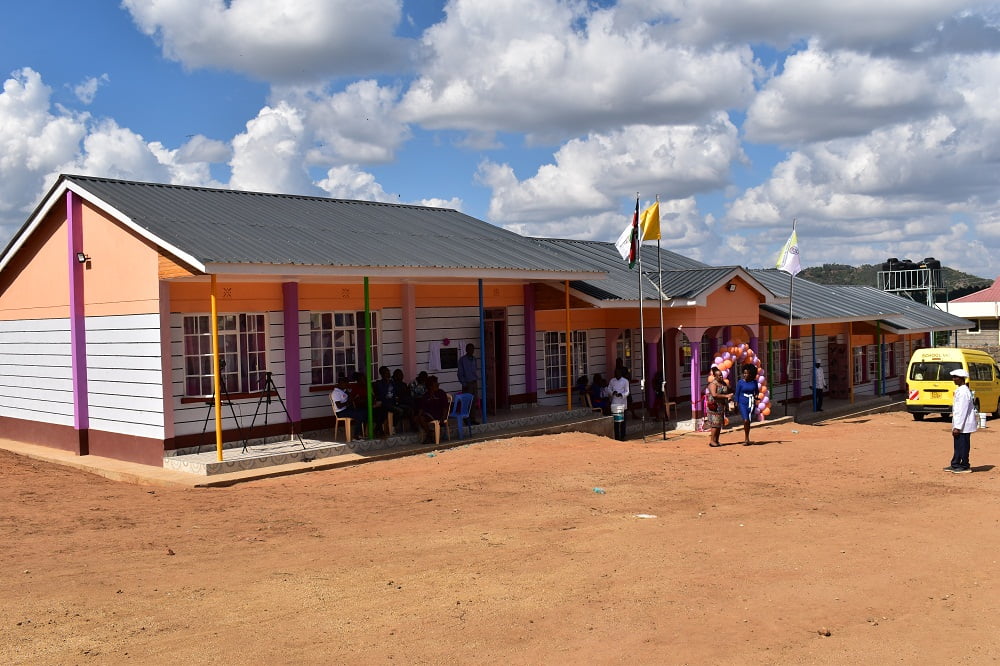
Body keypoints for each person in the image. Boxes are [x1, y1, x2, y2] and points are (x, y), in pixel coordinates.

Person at [945, 368, 977, 473]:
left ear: (961, 379)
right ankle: (955, 464)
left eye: (955, 377)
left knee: (963, 446)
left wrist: (958, 427)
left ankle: (964, 465)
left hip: (963, 425)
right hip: (960, 424)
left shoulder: (963, 392)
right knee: (958, 445)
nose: (953, 379)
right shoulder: (960, 390)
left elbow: (962, 411)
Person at [416, 375, 450, 445]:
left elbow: (445, 407)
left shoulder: (441, 393)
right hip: (429, 415)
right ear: (430, 386)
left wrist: (443, 417)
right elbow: (422, 408)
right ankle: (430, 434)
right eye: (435, 383)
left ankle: (430, 436)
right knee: (420, 418)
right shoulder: (426, 395)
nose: (438, 384)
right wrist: (418, 416)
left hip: (439, 414)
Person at [331, 375, 366, 439]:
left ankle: (360, 433)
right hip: (341, 412)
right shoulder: (336, 393)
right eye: (346, 383)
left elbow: (351, 398)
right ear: (341, 383)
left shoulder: (344, 391)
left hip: (346, 409)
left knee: (363, 411)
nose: (348, 384)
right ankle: (356, 436)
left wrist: (347, 392)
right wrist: (348, 402)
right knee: (359, 414)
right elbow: (339, 406)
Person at [734, 364, 760, 446]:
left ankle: (747, 438)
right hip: (742, 402)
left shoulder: (754, 382)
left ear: (751, 374)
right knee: (745, 420)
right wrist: (736, 404)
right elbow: (737, 394)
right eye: (744, 373)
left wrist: (756, 396)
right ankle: (746, 439)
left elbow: (756, 392)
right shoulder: (740, 382)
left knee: (748, 421)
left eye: (747, 373)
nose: (745, 375)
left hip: (751, 403)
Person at [706, 365, 732, 447]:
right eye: (719, 375)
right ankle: (712, 441)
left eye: (721, 375)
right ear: (714, 376)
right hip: (714, 407)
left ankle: (717, 440)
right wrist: (726, 396)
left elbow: (728, 389)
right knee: (715, 424)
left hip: (721, 406)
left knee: (719, 424)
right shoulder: (713, 384)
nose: (721, 377)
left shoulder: (723, 383)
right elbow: (714, 394)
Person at [458, 343, 480, 424]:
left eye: (473, 349)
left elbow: (475, 370)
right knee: (466, 401)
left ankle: (472, 419)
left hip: (474, 383)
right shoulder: (462, 360)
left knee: (473, 401)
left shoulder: (474, 359)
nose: (472, 350)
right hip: (467, 384)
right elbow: (460, 373)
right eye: (470, 349)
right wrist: (464, 384)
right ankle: (466, 419)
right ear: (466, 350)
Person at [607, 365, 630, 441]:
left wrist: (622, 395)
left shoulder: (625, 381)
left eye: (618, 373)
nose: (616, 374)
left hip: (622, 403)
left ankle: (623, 436)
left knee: (623, 421)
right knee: (616, 421)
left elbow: (627, 392)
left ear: (620, 373)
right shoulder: (612, 381)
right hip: (614, 403)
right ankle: (617, 436)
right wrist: (612, 392)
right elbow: (609, 389)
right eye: (615, 373)